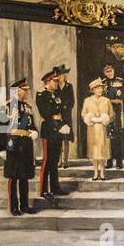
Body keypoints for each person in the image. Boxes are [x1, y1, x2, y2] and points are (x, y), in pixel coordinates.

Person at [0, 79, 38, 217]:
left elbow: (32, 125)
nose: (27, 92)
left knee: (24, 177)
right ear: (17, 91)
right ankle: (14, 207)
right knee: (13, 177)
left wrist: (34, 132)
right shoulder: (7, 107)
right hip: (13, 145)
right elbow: (2, 129)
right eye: (24, 90)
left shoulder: (28, 107)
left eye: (27, 90)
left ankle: (25, 205)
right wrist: (2, 148)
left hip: (26, 144)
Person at [35, 70, 70, 199]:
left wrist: (64, 125)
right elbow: (46, 114)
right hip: (49, 130)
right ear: (48, 82)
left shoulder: (56, 95)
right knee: (47, 161)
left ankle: (55, 187)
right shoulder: (41, 95)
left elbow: (62, 112)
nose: (57, 83)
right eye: (54, 81)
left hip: (58, 130)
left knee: (55, 161)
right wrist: (58, 126)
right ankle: (43, 190)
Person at [81, 78, 112, 182]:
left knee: (102, 150)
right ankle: (95, 172)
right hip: (92, 128)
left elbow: (112, 115)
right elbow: (83, 113)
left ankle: (102, 172)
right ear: (93, 90)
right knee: (94, 150)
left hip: (103, 128)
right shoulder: (87, 101)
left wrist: (105, 118)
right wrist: (90, 118)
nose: (100, 90)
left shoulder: (106, 101)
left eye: (101, 88)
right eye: (98, 88)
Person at [100, 62, 124, 171]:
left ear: (114, 71)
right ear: (104, 73)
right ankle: (109, 161)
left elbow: (123, 98)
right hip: (106, 113)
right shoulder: (103, 83)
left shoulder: (120, 82)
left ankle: (119, 162)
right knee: (108, 138)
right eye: (107, 71)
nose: (109, 73)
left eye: (111, 71)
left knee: (117, 137)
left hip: (117, 112)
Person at [53, 65, 76, 165]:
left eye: (63, 75)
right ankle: (58, 160)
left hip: (66, 114)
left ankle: (65, 160)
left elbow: (72, 100)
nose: (62, 77)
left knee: (66, 137)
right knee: (58, 138)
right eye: (60, 75)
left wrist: (67, 107)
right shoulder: (54, 87)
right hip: (57, 115)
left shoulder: (69, 86)